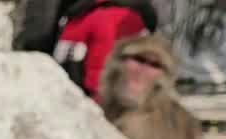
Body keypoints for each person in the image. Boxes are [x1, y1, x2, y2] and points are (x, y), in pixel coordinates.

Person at [28, 0, 162, 101]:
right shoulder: (86, 11)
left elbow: (100, 66)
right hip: (77, 90)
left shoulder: (100, 15)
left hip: (82, 94)